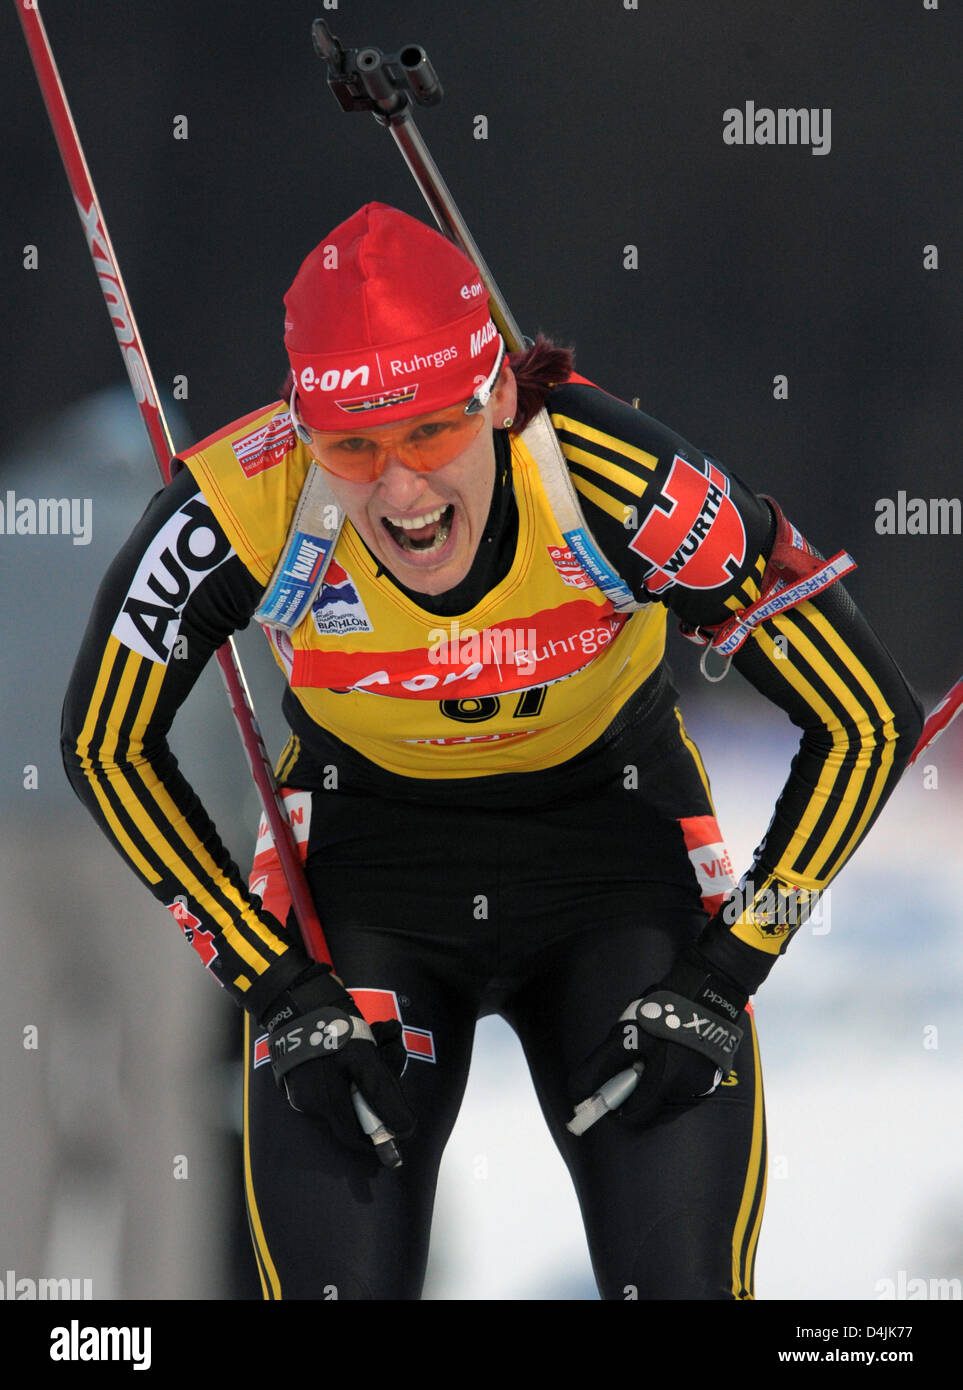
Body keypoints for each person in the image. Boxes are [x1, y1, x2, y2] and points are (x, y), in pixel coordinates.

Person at [62, 202, 923, 1300]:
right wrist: (277, 988)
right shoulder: (243, 500)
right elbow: (102, 742)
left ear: (501, 393)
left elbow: (869, 717)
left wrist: (728, 972)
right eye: (353, 447)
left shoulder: (619, 477)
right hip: (369, 877)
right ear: (302, 430)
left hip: (616, 857)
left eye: (432, 430)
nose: (403, 491)